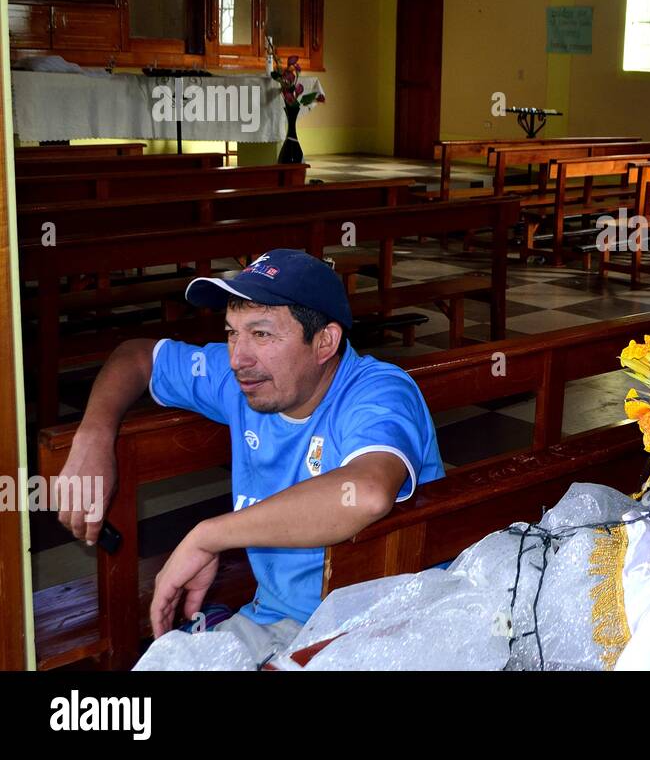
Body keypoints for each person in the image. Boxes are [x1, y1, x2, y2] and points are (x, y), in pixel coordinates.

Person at [56, 249, 445, 665]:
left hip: (390, 622)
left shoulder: (377, 391)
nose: (238, 358)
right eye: (231, 332)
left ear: (325, 342)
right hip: (275, 623)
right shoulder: (240, 379)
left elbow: (366, 492)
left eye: (261, 334)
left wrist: (208, 536)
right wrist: (93, 437)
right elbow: (136, 356)